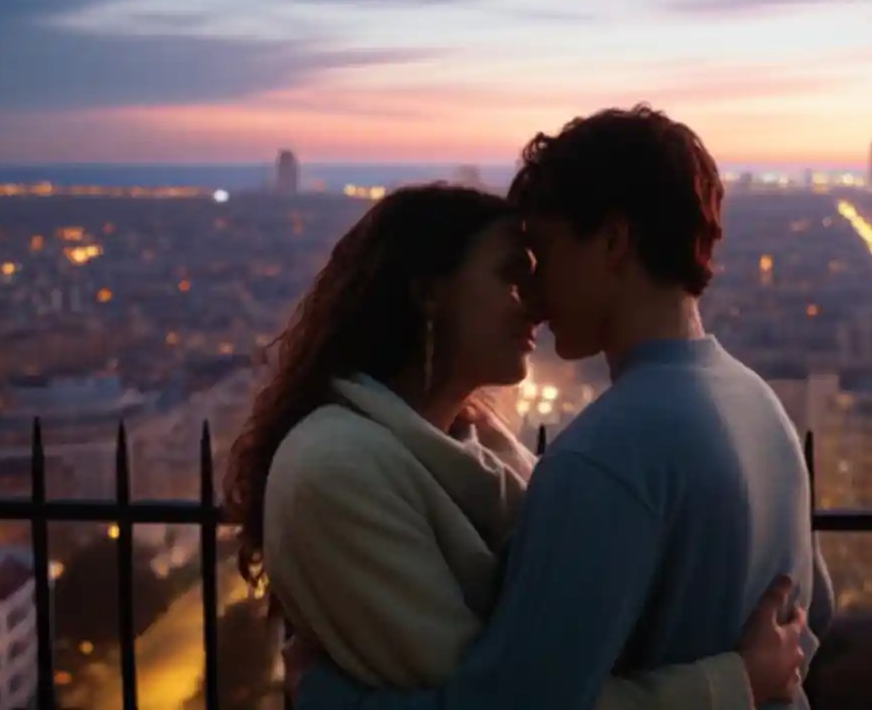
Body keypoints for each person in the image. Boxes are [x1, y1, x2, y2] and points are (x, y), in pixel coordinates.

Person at [283, 106, 833, 710]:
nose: (537, 297)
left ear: (613, 242)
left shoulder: (606, 456)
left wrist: (330, 699)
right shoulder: (763, 408)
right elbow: (814, 614)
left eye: (544, 257)